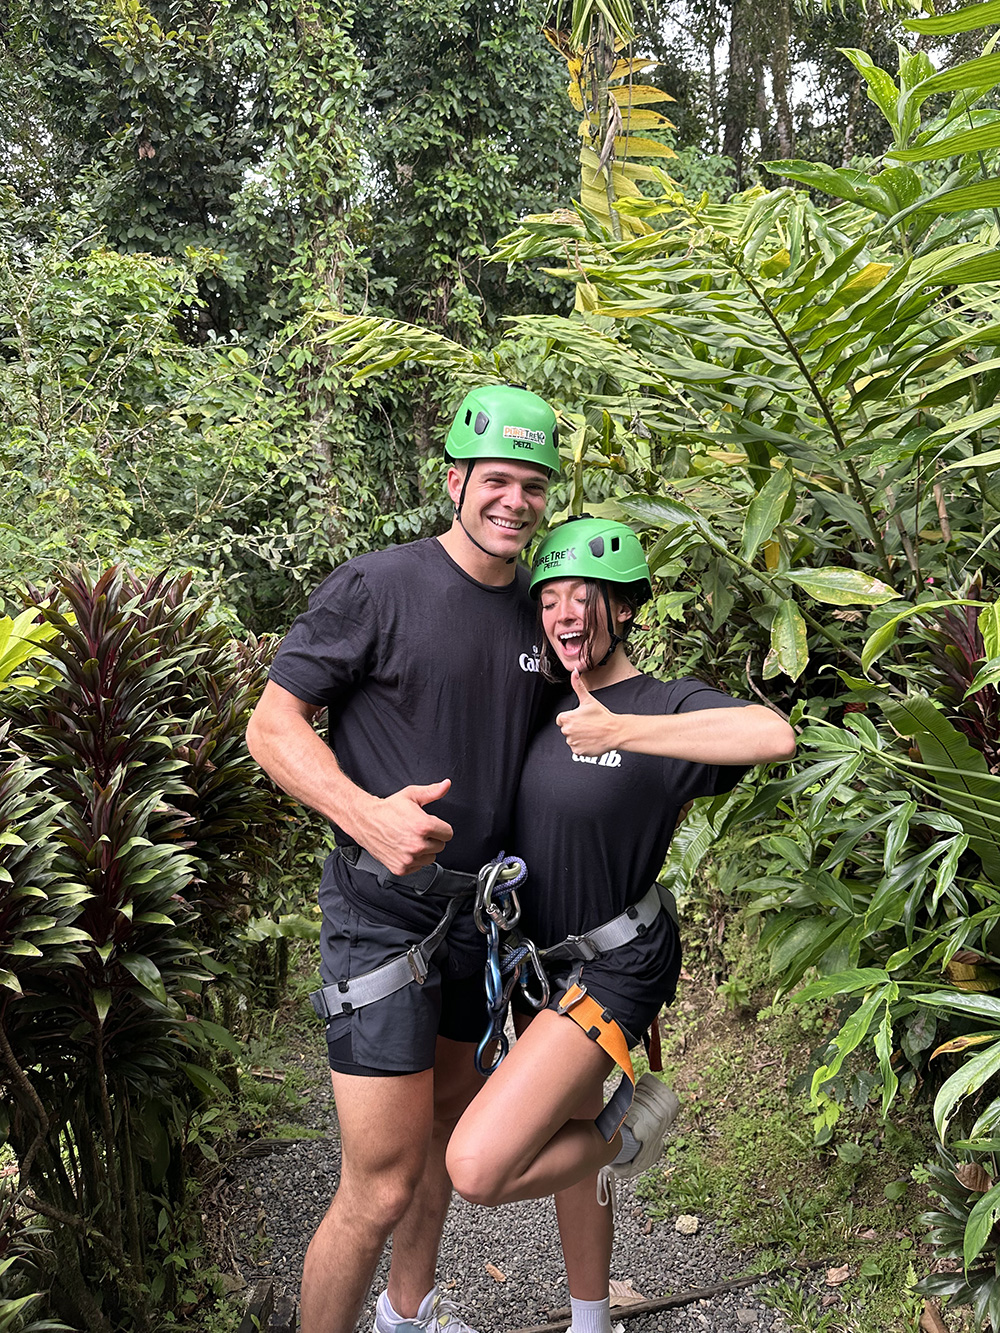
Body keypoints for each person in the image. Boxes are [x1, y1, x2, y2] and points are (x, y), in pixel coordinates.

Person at [244, 384, 561, 1333]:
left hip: (482, 924)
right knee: (377, 1186)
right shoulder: (377, 587)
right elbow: (271, 723)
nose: (514, 500)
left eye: (533, 484)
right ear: (455, 480)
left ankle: (408, 1313)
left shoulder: (545, 619)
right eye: (496, 479)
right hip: (382, 915)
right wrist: (364, 813)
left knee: (439, 1137)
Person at [445, 517, 796, 1333]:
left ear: (624, 609)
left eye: (586, 597)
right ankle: (591, 1319)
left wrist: (620, 730)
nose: (567, 613)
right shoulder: (534, 702)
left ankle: (631, 1131)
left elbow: (771, 734)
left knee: (477, 1163)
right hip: (536, 963)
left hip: (616, 963)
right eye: (553, 600)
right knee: (563, 1120)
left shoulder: (663, 708)